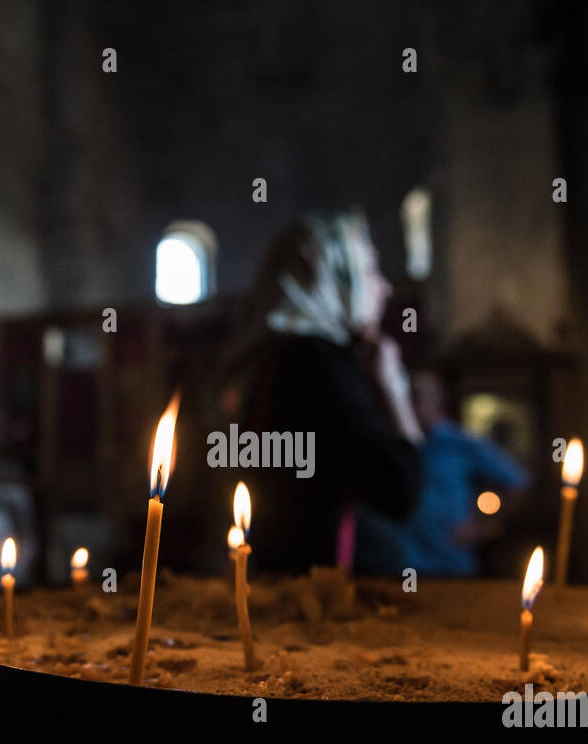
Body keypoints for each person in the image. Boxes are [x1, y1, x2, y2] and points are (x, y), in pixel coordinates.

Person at [211, 210, 423, 573]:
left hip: (284, 570)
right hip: (334, 593)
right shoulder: (319, 363)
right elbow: (401, 492)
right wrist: (393, 391)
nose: (384, 287)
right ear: (333, 278)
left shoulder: (265, 356)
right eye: (370, 271)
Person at [397, 370, 529, 576]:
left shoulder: (459, 443)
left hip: (450, 565)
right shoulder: (399, 443)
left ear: (436, 402)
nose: (409, 406)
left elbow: (517, 482)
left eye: (416, 397)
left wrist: (483, 528)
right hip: (405, 564)